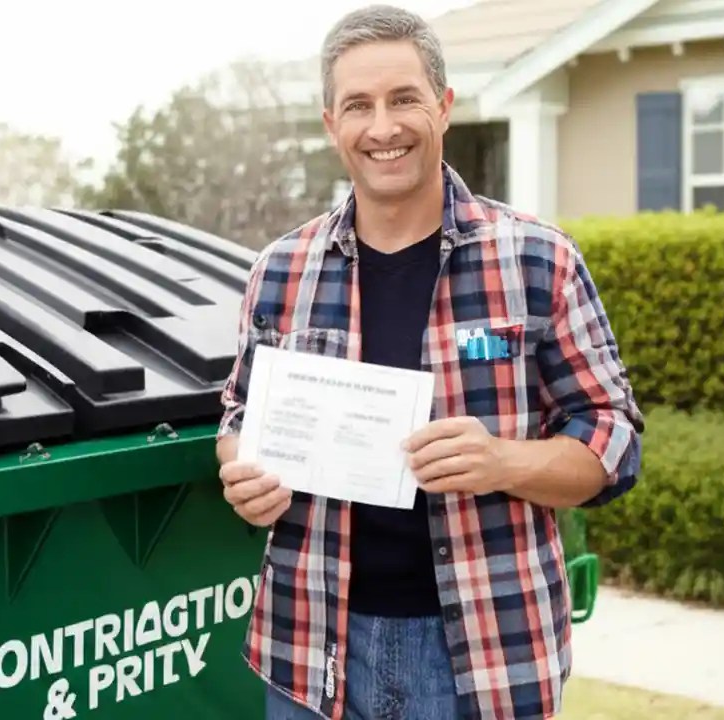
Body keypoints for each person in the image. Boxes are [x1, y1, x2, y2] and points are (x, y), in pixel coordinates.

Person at [215, 4, 644, 720]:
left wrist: (505, 461)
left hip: (487, 657)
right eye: (359, 105)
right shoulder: (280, 271)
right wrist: (242, 468)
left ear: (443, 107)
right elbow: (239, 413)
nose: (383, 127)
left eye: (404, 99)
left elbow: (614, 439)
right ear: (332, 124)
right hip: (310, 656)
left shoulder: (539, 260)